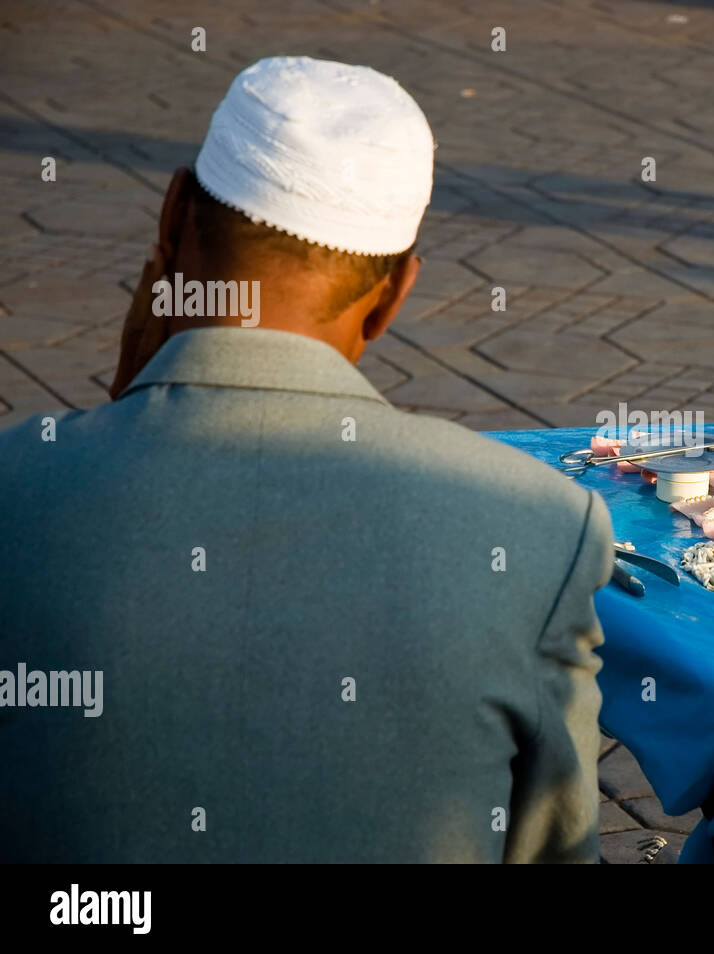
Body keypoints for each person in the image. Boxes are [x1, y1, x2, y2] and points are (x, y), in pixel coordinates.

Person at [0, 56, 613, 863]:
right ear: (394, 294)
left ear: (174, 208)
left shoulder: (19, 483)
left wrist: (126, 415)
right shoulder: (541, 526)